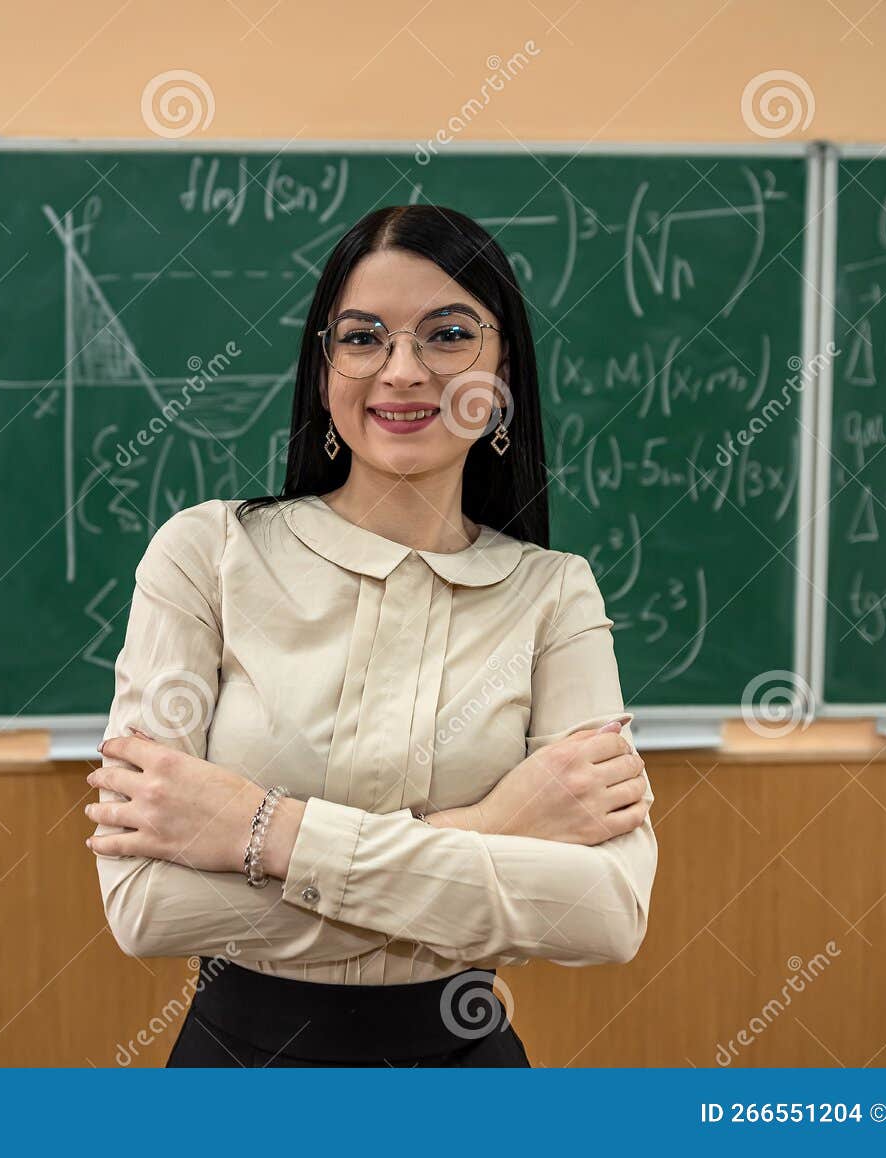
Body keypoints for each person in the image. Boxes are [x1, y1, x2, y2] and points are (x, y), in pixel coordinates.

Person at [85, 203, 657, 1067]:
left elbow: (605, 913)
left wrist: (261, 831)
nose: (402, 371)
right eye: (363, 338)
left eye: (448, 334)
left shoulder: (553, 594)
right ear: (324, 371)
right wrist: (492, 828)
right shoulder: (207, 554)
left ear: (503, 371)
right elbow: (146, 906)